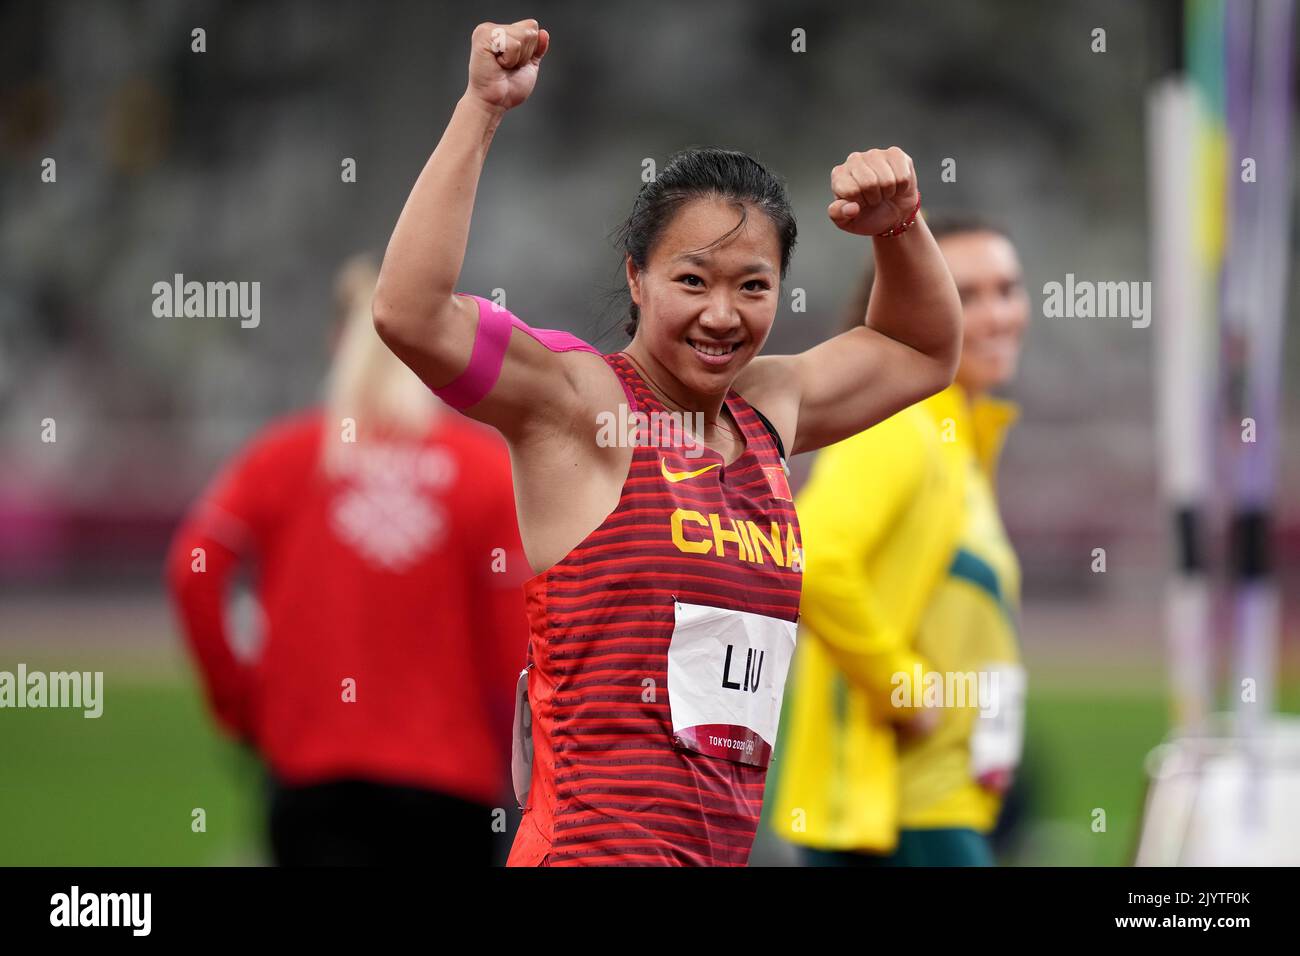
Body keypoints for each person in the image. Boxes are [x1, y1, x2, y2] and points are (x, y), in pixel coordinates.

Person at [372, 18, 962, 866]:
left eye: (753, 287)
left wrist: (901, 227)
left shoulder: (766, 413)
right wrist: (482, 107)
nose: (723, 315)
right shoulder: (579, 404)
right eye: (692, 281)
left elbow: (921, 352)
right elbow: (410, 313)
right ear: (636, 279)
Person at [166, 255, 529, 865]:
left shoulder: (282, 459)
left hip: (311, 780)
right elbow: (512, 640)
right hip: (449, 787)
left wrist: (244, 706)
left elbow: (192, 569)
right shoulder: (485, 470)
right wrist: (518, 758)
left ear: (336, 341)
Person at [771, 216, 1029, 866]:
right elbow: (816, 557)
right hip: (895, 814)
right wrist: (906, 691)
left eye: (1008, 289)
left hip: (941, 805)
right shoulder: (902, 423)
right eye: (967, 295)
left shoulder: (959, 437)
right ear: (919, 302)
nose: (997, 315)